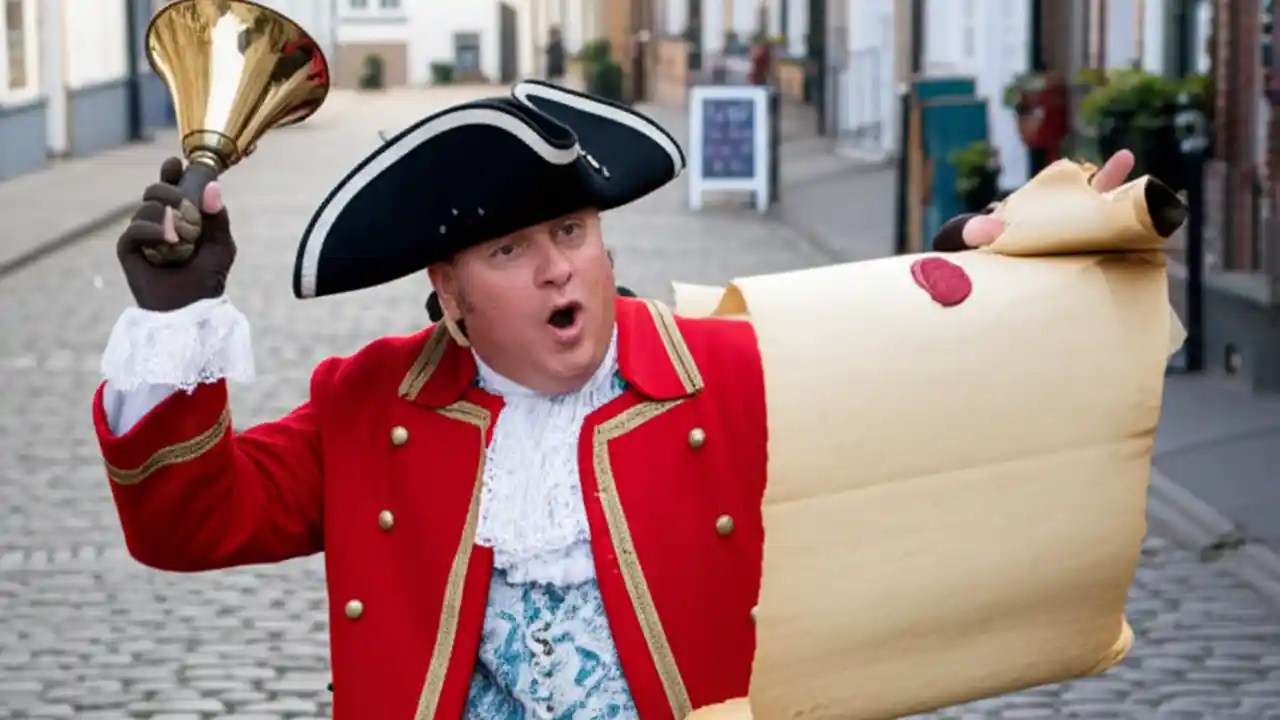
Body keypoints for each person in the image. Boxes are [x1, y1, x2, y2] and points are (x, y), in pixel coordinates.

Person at [93, 78, 1141, 720]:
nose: (557, 271)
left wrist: (1016, 269)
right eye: (509, 249)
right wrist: (175, 320)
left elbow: (939, 406)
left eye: (571, 233)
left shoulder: (732, 370)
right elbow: (193, 521)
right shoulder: (373, 406)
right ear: (447, 293)